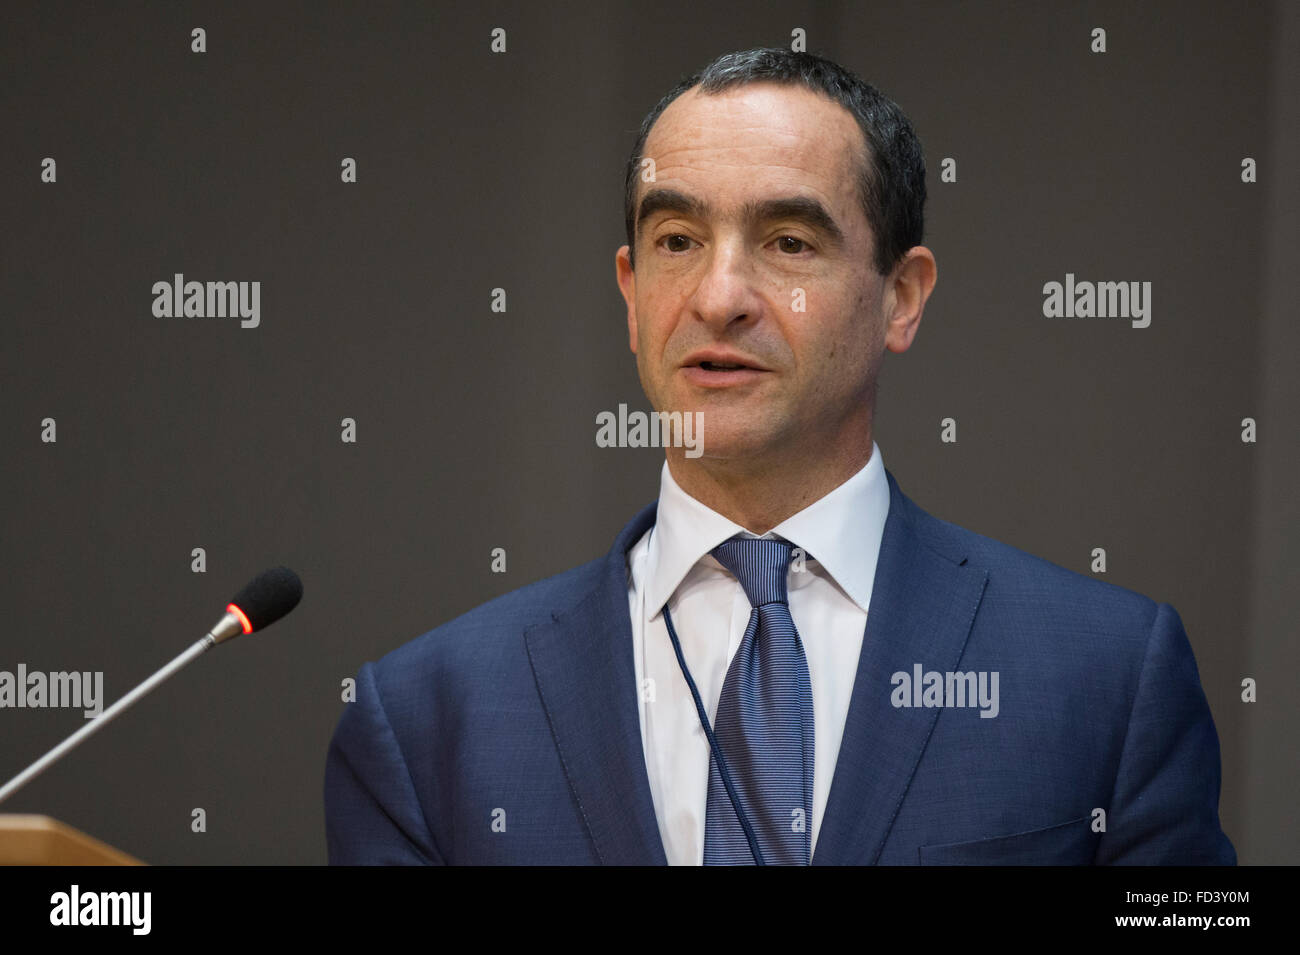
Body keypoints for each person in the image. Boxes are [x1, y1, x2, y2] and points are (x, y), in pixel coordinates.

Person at [324, 47, 1235, 865]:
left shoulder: (1108, 677)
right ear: (631, 295)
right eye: (677, 241)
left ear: (903, 297)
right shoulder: (424, 718)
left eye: (789, 243)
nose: (719, 297)